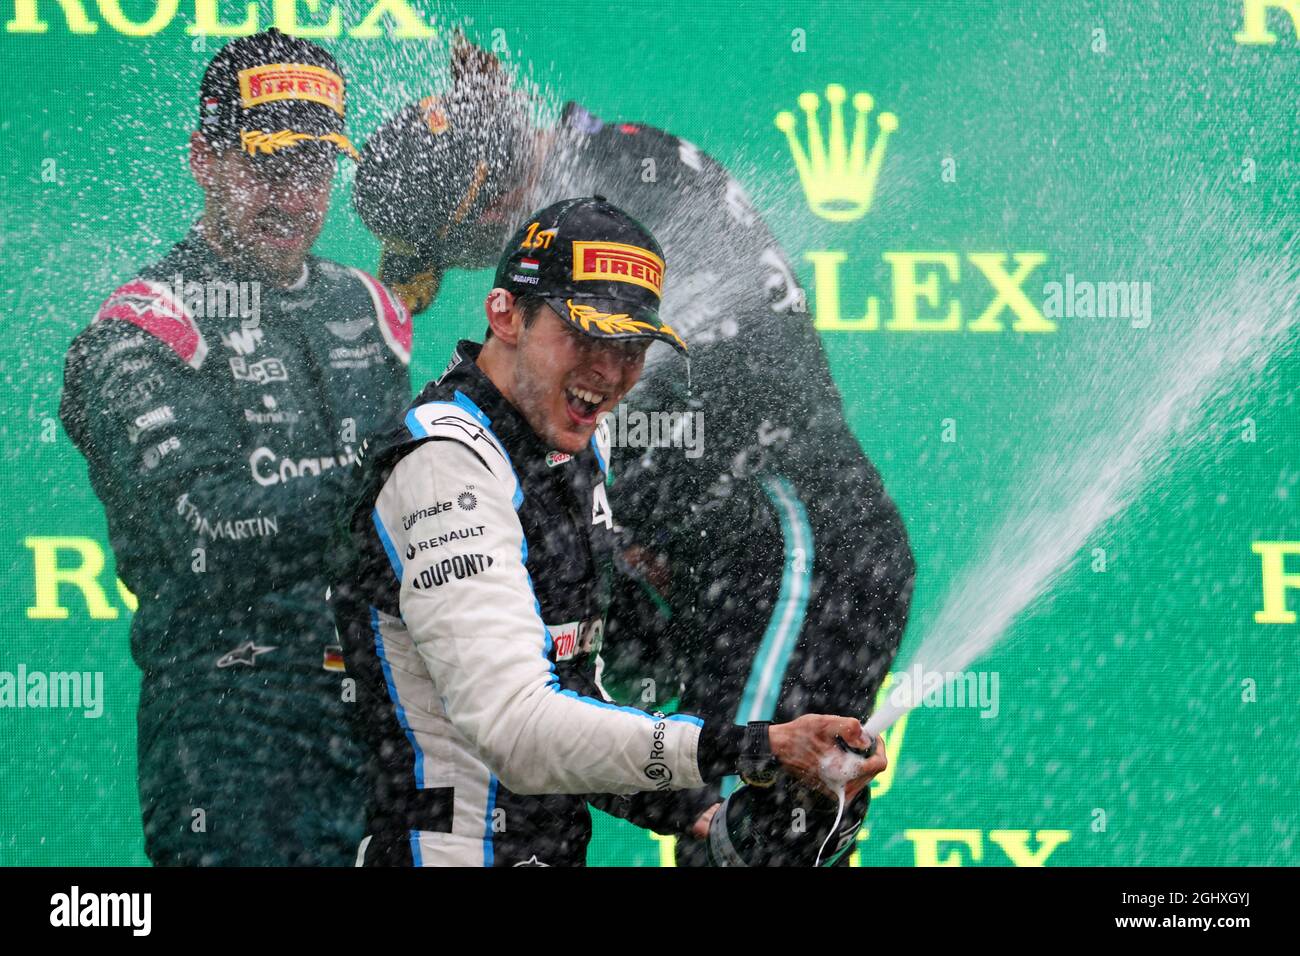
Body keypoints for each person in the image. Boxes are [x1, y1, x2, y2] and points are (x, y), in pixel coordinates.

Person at [350, 41, 916, 866]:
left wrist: (710, 797)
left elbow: (558, 714)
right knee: (731, 828)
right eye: (588, 340)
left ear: (497, 208)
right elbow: (542, 721)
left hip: (793, 539)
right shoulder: (599, 175)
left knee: (746, 839)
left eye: (628, 350)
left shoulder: (600, 215)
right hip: (735, 545)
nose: (609, 377)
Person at [59, 28, 413, 866]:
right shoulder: (144, 324)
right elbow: (202, 534)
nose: (294, 196)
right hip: (234, 730)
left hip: (385, 722)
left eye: (315, 168)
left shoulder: (370, 309)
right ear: (203, 159)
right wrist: (393, 481)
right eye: (267, 164)